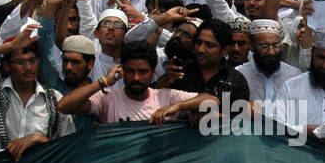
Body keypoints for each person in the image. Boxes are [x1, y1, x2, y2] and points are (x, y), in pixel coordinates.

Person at [58, 41, 215, 124]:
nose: (136, 78)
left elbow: (212, 101)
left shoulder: (166, 97)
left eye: (143, 72)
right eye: (131, 71)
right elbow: (64, 106)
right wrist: (103, 82)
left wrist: (176, 107)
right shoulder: (108, 98)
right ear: (122, 70)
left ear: (153, 72)